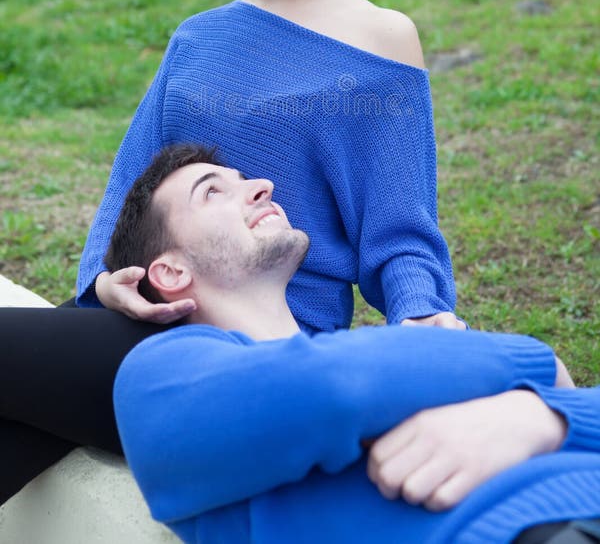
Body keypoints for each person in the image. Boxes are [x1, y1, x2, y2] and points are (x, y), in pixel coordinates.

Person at [0, 0, 463, 506]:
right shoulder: (198, 39)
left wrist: (421, 316)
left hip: (262, 342)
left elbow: (401, 232)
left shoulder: (383, 43)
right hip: (153, 317)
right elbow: (131, 192)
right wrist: (104, 282)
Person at [112, 144, 600, 544]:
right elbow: (334, 388)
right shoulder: (157, 377)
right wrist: (539, 365)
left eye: (245, 179)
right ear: (171, 272)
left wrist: (545, 418)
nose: (262, 186)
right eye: (213, 192)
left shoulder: (401, 365)